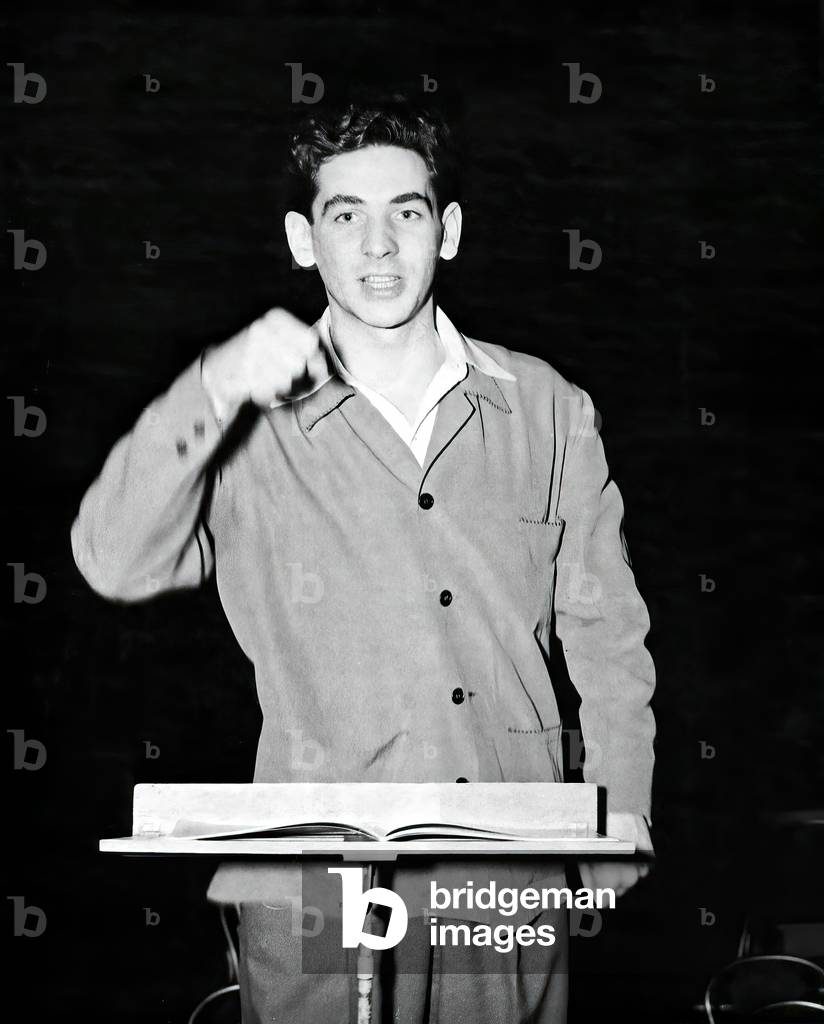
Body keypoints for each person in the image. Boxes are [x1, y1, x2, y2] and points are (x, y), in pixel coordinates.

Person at [71, 95, 656, 1022]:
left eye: (407, 213)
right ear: (306, 241)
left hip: (505, 867)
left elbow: (608, 639)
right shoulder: (242, 424)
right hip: (309, 880)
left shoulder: (549, 407)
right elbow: (111, 559)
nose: (378, 246)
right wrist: (212, 384)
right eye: (347, 216)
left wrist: (617, 813)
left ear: (449, 230)